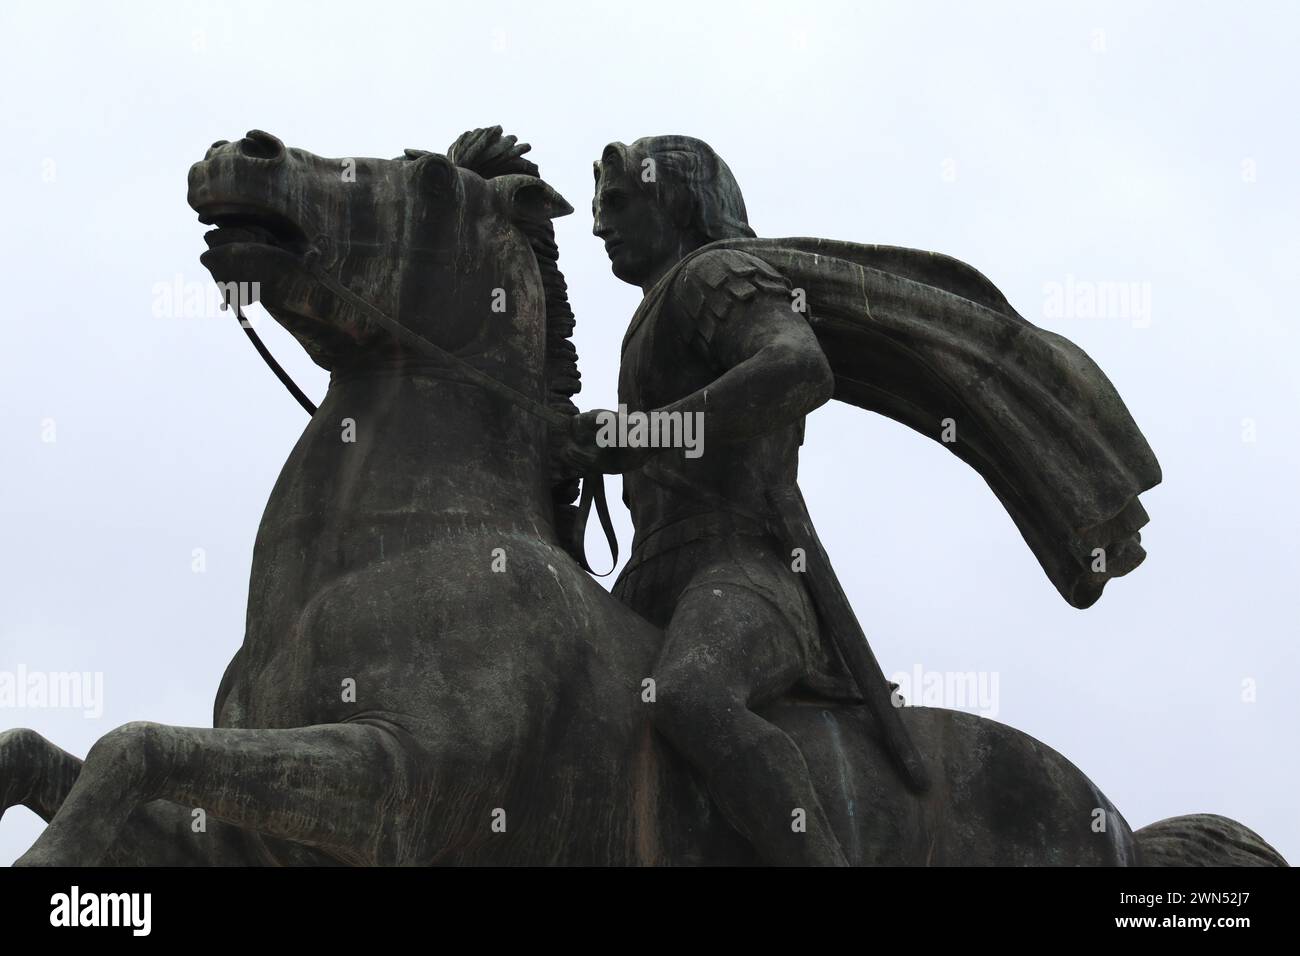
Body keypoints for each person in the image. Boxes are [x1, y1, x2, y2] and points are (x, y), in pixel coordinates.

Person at [562, 136, 851, 865]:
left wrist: (642, 432)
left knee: (690, 694)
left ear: (676, 199)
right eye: (599, 209)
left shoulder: (713, 273)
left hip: (744, 568)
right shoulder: (650, 314)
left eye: (618, 204)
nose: (600, 227)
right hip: (649, 582)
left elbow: (797, 365)